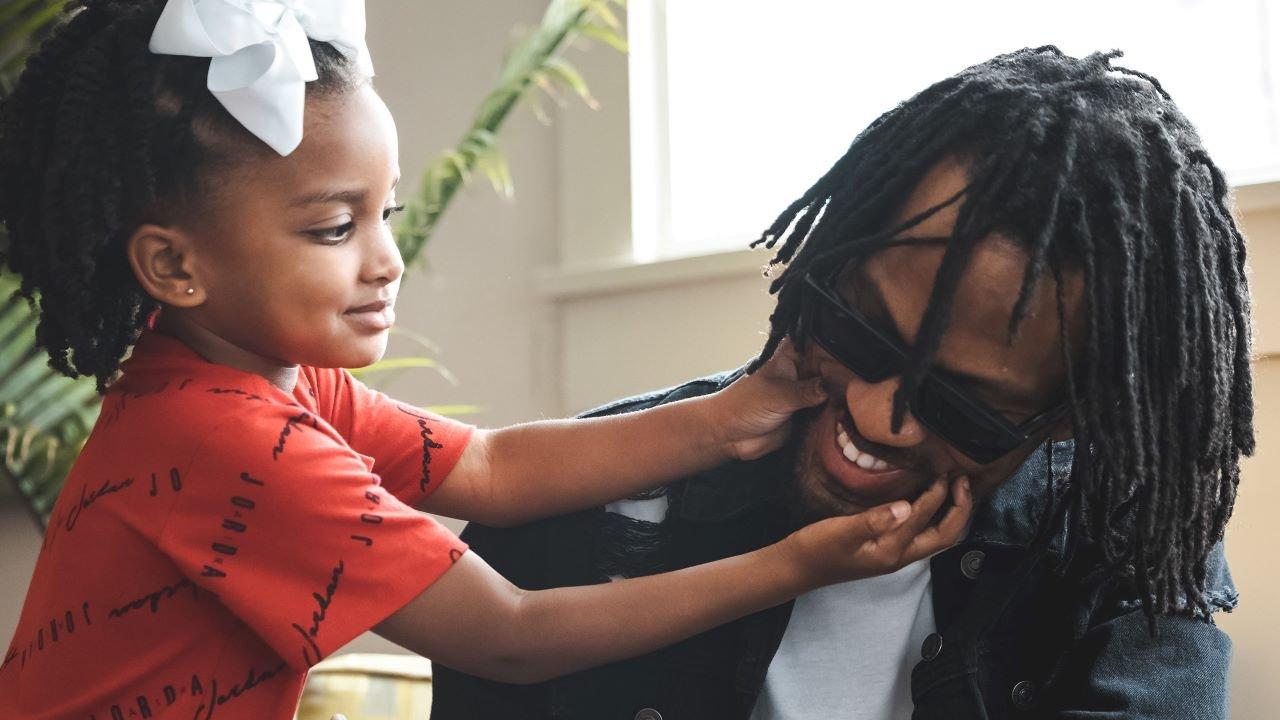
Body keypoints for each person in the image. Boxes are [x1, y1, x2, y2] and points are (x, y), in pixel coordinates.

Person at [0, 1, 973, 718]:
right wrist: (795, 566)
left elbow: (492, 470)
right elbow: (511, 636)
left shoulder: (270, 385)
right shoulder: (230, 442)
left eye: (386, 213)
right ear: (174, 266)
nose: (387, 259)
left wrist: (728, 415)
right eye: (334, 228)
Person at [432, 46, 1252, 720]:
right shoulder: (573, 515)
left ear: (1068, 419)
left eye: (961, 403)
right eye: (859, 328)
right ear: (826, 258)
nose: (876, 414)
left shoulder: (1131, 544)